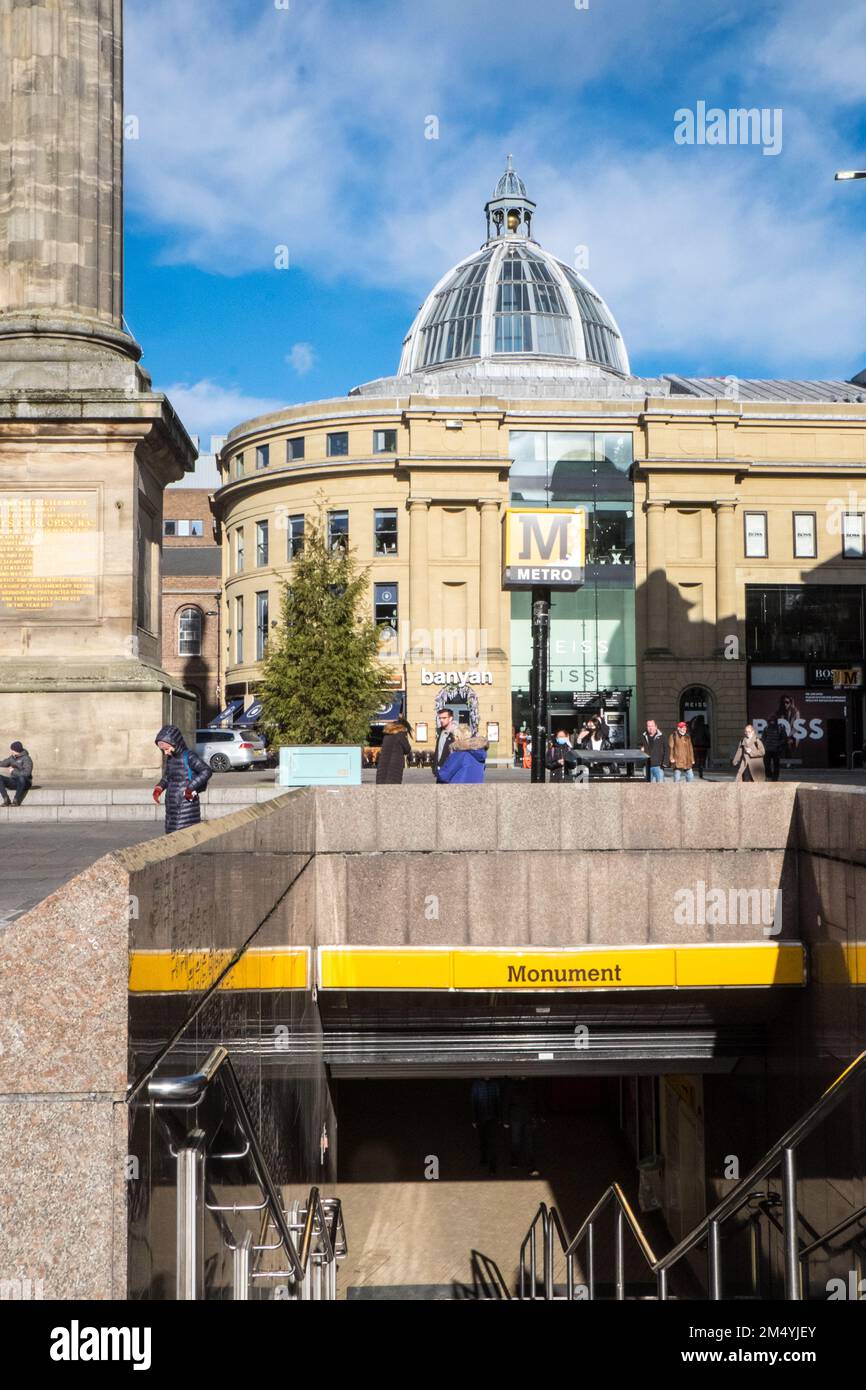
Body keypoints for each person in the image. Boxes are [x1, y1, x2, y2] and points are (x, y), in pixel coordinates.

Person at [153, 724, 212, 834]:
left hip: (186, 803)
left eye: (166, 749)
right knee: (171, 833)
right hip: (172, 804)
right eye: (163, 750)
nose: (165, 752)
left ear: (175, 743)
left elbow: (206, 771)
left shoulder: (189, 756)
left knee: (183, 833)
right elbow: (167, 777)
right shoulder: (170, 759)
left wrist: (190, 788)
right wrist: (159, 788)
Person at [470, 1078, 502, 1175]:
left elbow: (498, 1100)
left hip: (490, 1117)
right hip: (482, 1117)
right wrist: (474, 1119)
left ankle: (492, 1166)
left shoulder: (493, 1084)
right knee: (483, 1139)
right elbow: (473, 1101)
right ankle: (484, 1158)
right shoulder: (477, 1084)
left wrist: (499, 1117)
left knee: (492, 1142)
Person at [375, 720, 412, 784]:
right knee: (393, 788)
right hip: (395, 767)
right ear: (401, 727)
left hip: (382, 767)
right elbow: (407, 749)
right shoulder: (400, 735)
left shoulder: (386, 736)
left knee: (382, 786)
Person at [0, 740, 33, 807]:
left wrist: (13, 771)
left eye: (12, 749)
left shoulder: (27, 759)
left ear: (16, 750)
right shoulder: (12, 757)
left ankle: (16, 800)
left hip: (25, 782)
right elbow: (3, 763)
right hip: (14, 781)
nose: (11, 751)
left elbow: (27, 773)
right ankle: (6, 799)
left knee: (21, 778)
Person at [431, 707, 457, 782]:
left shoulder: (456, 733)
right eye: (440, 718)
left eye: (444, 718)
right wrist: (435, 766)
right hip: (439, 770)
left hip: (450, 771)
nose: (441, 720)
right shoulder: (440, 732)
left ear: (450, 718)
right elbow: (438, 751)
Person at [762, 716, 785, 782]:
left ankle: (775, 778)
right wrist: (766, 744)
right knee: (766, 764)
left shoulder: (780, 728)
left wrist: (778, 744)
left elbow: (784, 738)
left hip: (776, 750)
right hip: (767, 750)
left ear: (776, 721)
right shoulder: (766, 728)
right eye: (770, 721)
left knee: (776, 765)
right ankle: (769, 776)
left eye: (773, 721)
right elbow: (763, 737)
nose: (772, 722)